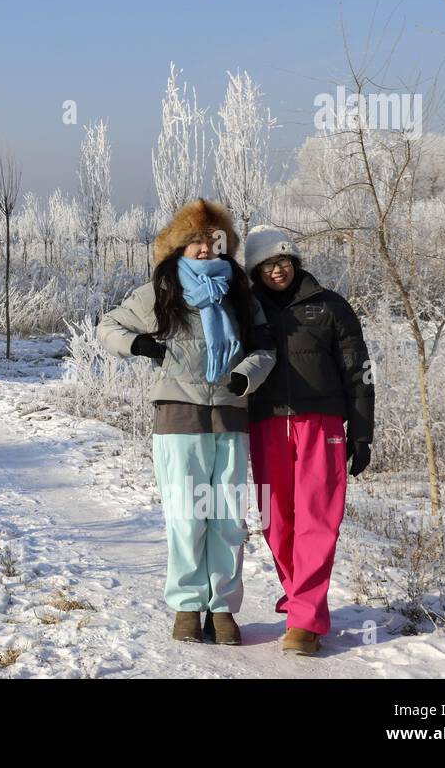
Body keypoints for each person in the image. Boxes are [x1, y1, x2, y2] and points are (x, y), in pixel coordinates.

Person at [99, 199, 276, 645]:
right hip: (179, 413)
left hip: (230, 415)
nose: (203, 247)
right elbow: (108, 327)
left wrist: (245, 375)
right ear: (179, 247)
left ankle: (221, 609)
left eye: (211, 239)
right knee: (186, 516)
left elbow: (265, 349)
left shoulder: (240, 294)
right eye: (194, 240)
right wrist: (139, 345)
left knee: (227, 518)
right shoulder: (161, 291)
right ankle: (187, 605)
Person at [243, 225, 375, 656]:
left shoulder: (331, 306)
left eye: (282, 261)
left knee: (318, 519)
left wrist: (361, 433)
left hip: (322, 425)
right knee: (275, 520)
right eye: (266, 265)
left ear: (295, 261)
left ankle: (306, 619)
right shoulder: (247, 311)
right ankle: (298, 592)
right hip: (266, 426)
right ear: (255, 272)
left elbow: (359, 371)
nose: (276, 270)